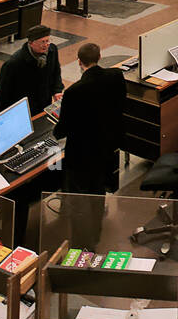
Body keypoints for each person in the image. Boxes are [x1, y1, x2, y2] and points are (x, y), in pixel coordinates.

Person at [53, 42, 126, 247]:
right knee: (97, 190)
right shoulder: (115, 77)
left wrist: (54, 132)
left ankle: (81, 242)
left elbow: (64, 128)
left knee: (79, 198)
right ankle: (96, 232)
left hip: (81, 155)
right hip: (106, 147)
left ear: (79, 61)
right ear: (99, 57)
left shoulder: (75, 91)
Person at [0, 23, 64, 114]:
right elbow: (2, 94)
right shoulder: (13, 64)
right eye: (42, 42)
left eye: (48, 41)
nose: (46, 45)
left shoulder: (52, 50)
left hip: (44, 104)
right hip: (24, 109)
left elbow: (56, 72)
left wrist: (57, 90)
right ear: (31, 43)